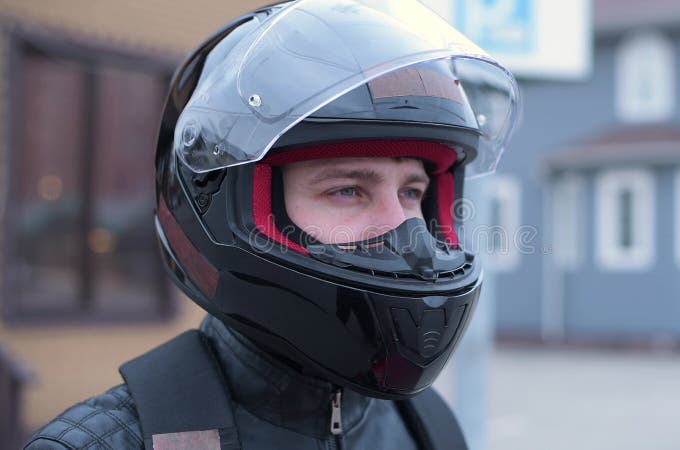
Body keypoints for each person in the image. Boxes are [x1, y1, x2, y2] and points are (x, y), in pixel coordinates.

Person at [25, 0, 520, 449]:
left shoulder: (429, 429)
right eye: (347, 190)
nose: (405, 231)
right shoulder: (105, 444)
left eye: (412, 192)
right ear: (238, 210)